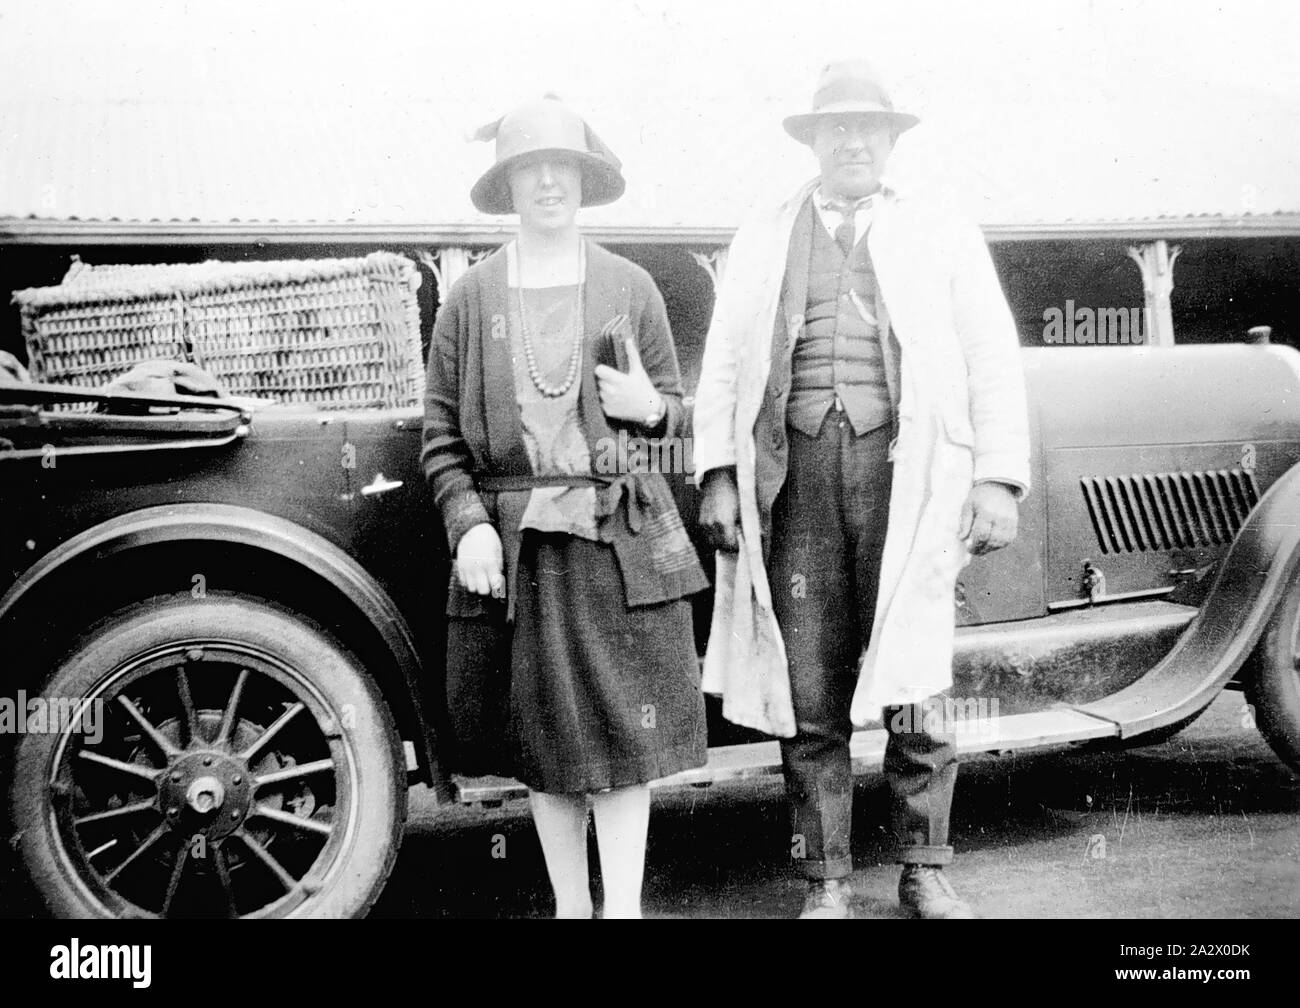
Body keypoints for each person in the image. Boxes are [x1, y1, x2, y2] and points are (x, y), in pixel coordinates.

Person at [693, 60, 1031, 919]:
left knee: (916, 672)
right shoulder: (766, 232)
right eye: (834, 128)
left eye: (867, 128)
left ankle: (925, 865)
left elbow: (990, 353)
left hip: (906, 478)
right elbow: (727, 363)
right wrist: (722, 478)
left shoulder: (942, 229)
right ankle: (827, 879)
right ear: (812, 141)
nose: (852, 141)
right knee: (809, 687)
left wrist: (996, 478)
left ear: (890, 140)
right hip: (794, 480)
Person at [421, 96, 709, 919]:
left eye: (562, 168)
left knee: (625, 738)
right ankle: (569, 909)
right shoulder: (470, 299)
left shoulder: (630, 286)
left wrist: (653, 411)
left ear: (584, 182)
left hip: (618, 539)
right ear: (508, 186)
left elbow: (678, 433)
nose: (547, 181)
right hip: (522, 552)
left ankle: (621, 910)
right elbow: (440, 435)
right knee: (544, 746)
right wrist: (468, 522)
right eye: (529, 168)